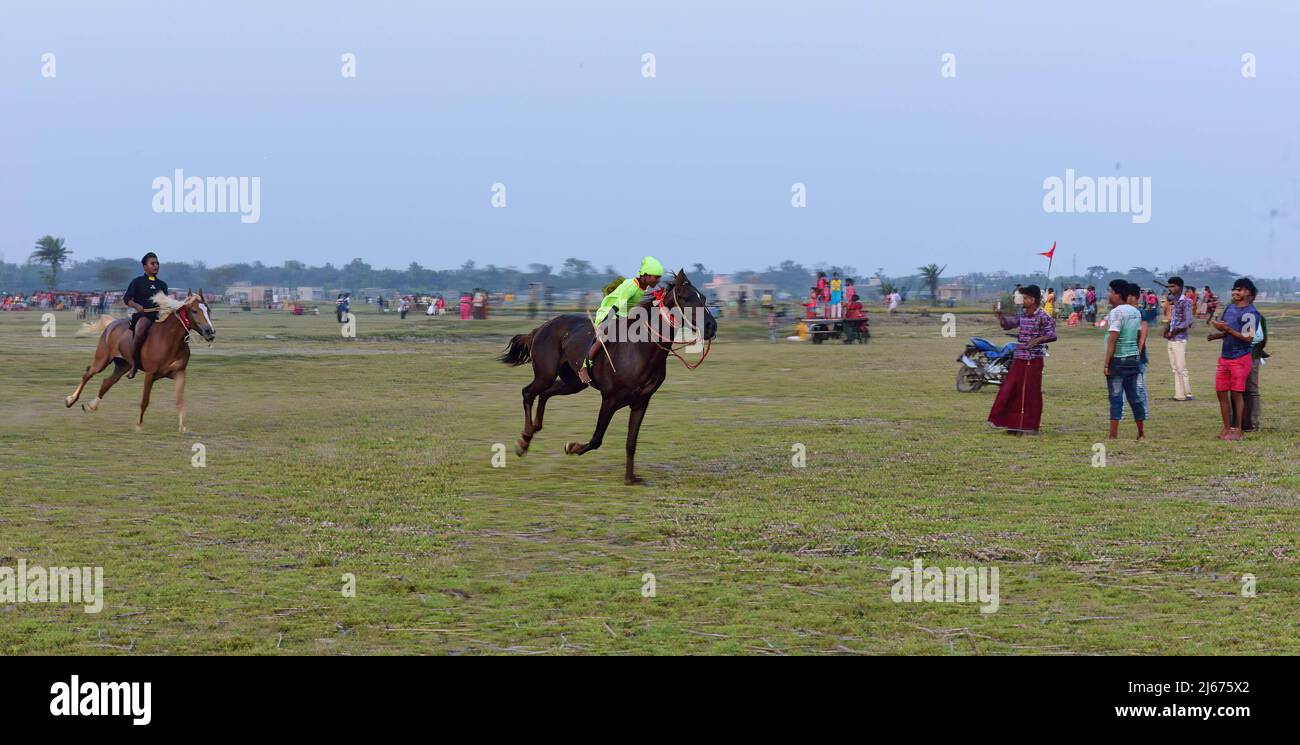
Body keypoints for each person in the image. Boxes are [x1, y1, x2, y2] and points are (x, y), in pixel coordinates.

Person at [578, 256, 664, 384]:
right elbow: (617, 306)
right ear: (645, 275)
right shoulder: (631, 286)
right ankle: (584, 367)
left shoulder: (643, 287)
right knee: (605, 336)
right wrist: (603, 325)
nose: (658, 280)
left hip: (622, 315)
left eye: (659, 277)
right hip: (609, 313)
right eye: (656, 277)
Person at [987, 285, 1056, 435]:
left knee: (1030, 393)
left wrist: (1037, 340)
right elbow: (1008, 325)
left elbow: (1052, 335)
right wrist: (1000, 316)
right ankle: (1011, 424)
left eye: (1025, 298)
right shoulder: (1023, 315)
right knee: (1010, 389)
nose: (1023, 300)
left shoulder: (1043, 316)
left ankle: (1030, 426)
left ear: (1033, 300)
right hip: (1019, 357)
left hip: (1034, 359)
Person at [1209, 278, 1260, 441]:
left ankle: (1238, 429)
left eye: (1239, 289)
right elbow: (1226, 328)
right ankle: (1226, 428)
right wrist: (1218, 333)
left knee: (1237, 394)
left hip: (1240, 357)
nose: (1235, 292)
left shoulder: (1251, 313)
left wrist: (1228, 329)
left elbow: (1248, 338)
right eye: (1234, 289)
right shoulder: (1230, 308)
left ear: (1248, 293)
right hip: (1225, 357)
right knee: (1221, 393)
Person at [1103, 279, 1146, 441]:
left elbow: (1113, 340)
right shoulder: (1135, 312)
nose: (1109, 295)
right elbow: (1136, 336)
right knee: (1135, 397)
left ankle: (1113, 435)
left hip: (1118, 360)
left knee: (1115, 397)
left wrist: (1107, 363)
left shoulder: (1116, 312)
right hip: (1133, 359)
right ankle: (1141, 433)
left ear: (1117, 294)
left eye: (1110, 292)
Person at [123, 252, 170, 379]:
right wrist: (137, 306)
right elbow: (127, 299)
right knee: (141, 329)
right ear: (144, 266)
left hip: (158, 316)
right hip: (143, 316)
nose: (156, 266)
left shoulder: (163, 285)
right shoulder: (137, 282)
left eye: (157, 263)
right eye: (152, 263)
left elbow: (165, 302)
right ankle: (134, 364)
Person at [1162, 276, 1195, 401]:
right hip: (1172, 337)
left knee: (1180, 367)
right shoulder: (1174, 301)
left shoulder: (1185, 302)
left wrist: (1174, 332)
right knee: (1175, 368)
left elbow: (1188, 321)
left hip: (1179, 338)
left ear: (1180, 287)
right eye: (1169, 286)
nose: (1170, 289)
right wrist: (1168, 330)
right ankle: (1183, 393)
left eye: (1173, 286)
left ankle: (1184, 394)